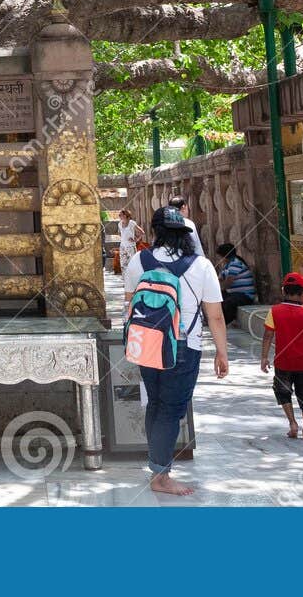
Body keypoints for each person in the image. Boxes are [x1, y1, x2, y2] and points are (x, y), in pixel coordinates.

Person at [132, 204, 229, 496]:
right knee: (171, 410)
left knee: (156, 404)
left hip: (147, 342)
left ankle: (156, 465)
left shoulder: (139, 260)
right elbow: (215, 316)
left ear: (156, 232)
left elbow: (131, 304)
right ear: (185, 234)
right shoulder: (201, 266)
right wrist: (222, 353)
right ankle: (161, 476)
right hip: (184, 345)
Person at [262, 272, 303, 441]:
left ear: (284, 290)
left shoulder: (274, 311)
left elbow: (268, 335)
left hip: (282, 362)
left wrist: (264, 357)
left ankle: (292, 423)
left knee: (283, 392)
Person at [216, 243, 255, 324]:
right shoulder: (227, 266)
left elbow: (228, 282)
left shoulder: (235, 263)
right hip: (234, 294)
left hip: (245, 296)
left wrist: (220, 289)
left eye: (220, 256)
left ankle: (224, 323)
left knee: (228, 303)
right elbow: (219, 279)